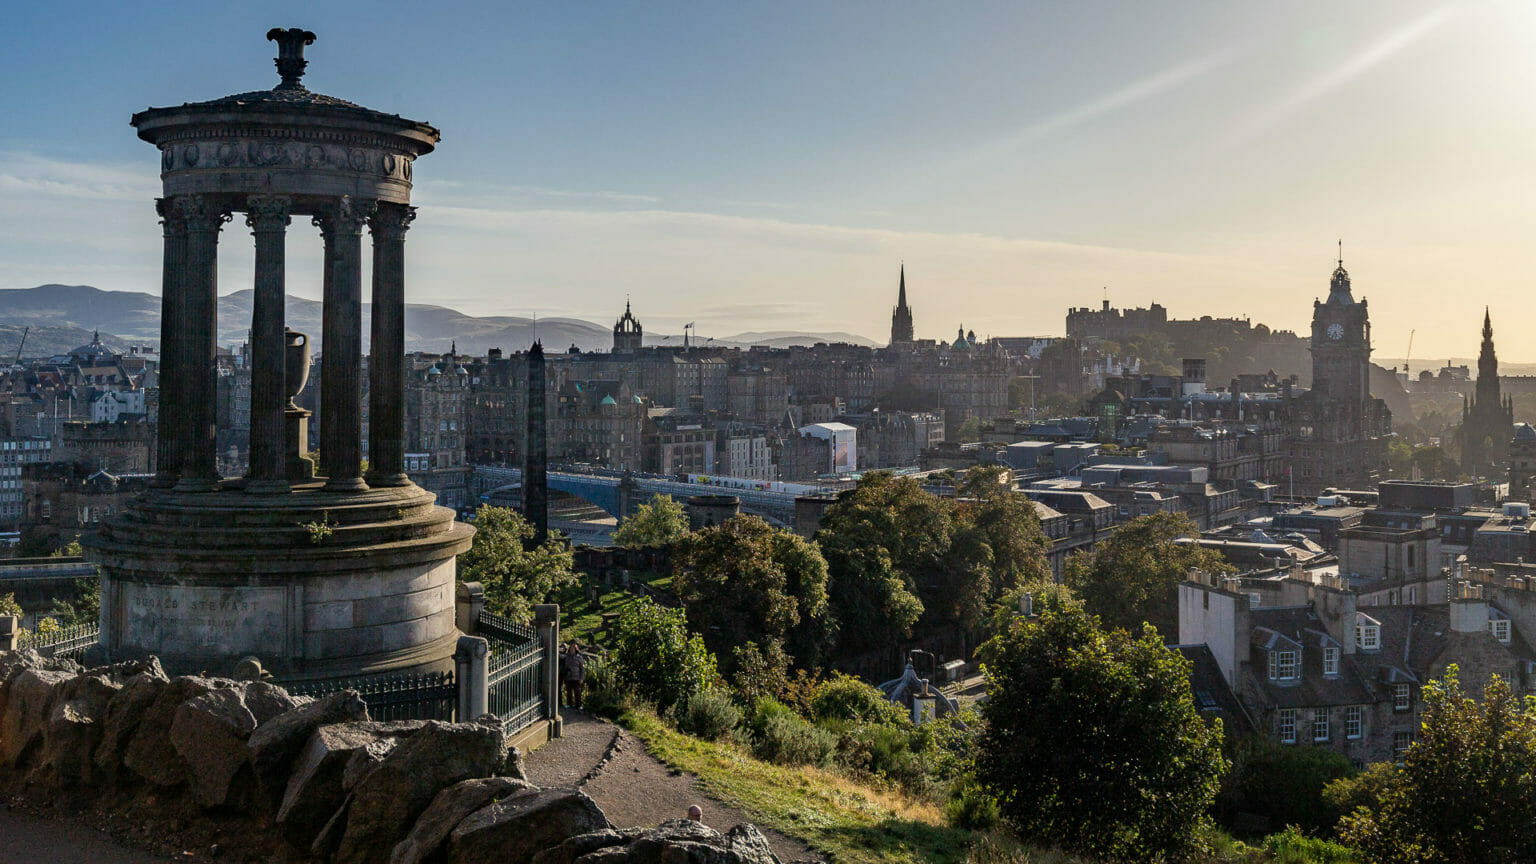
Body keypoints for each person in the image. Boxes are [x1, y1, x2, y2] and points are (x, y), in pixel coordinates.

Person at [563, 640, 587, 710]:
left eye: (573, 648)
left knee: (578, 692)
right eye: (571, 648)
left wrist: (581, 678)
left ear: (576, 649)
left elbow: (582, 668)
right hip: (569, 677)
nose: (572, 649)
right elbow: (565, 667)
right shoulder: (567, 656)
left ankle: (579, 705)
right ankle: (569, 704)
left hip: (577, 677)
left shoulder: (579, 657)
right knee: (569, 692)